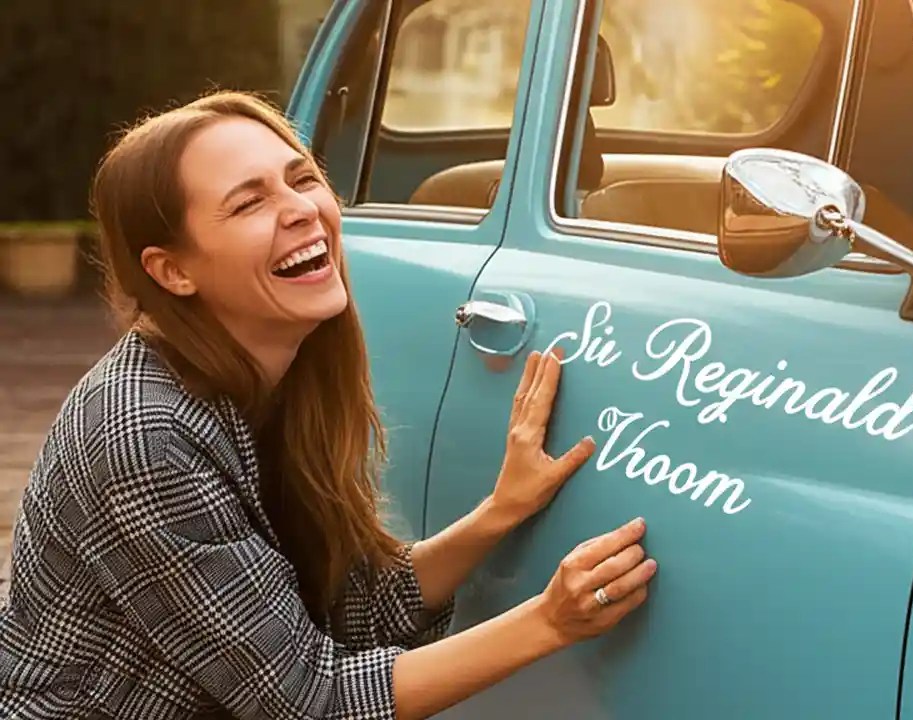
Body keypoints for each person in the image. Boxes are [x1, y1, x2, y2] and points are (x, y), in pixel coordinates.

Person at [0, 90, 657, 719]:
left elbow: (362, 609)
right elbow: (309, 702)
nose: (301, 209)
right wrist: (549, 621)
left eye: (301, 178)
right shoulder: (144, 435)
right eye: (248, 202)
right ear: (174, 272)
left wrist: (498, 514)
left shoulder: (274, 371)